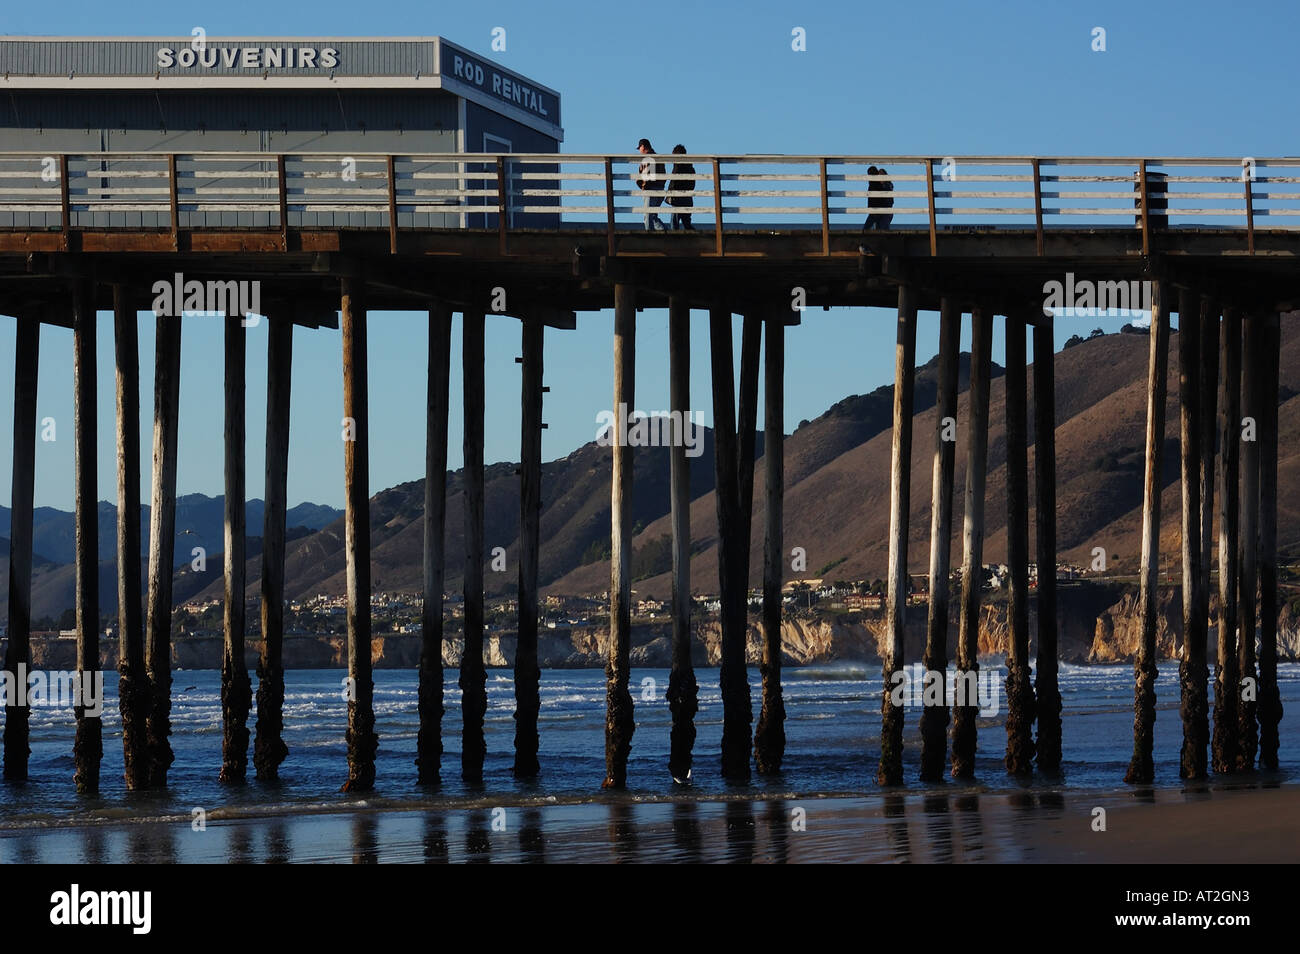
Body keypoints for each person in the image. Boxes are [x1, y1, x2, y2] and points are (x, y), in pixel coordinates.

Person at [636, 138, 667, 230]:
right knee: (653, 216)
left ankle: (649, 236)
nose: (639, 151)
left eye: (639, 148)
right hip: (660, 189)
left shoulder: (648, 158)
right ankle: (665, 232)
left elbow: (648, 176)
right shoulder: (658, 157)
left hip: (651, 190)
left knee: (648, 215)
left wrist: (642, 185)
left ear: (643, 146)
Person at [667, 144, 696, 230]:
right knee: (687, 223)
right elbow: (692, 184)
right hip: (688, 198)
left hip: (678, 198)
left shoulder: (677, 166)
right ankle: (695, 239)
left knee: (674, 223)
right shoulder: (690, 167)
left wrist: (669, 194)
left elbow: (674, 182)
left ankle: (674, 241)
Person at [864, 165, 894, 231]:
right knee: (875, 229)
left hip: (884, 212)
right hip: (877, 212)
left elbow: (890, 202)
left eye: (881, 175)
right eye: (878, 174)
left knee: (881, 230)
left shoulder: (886, 186)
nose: (879, 176)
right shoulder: (875, 185)